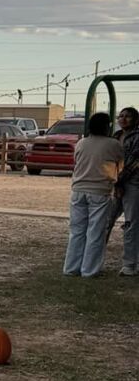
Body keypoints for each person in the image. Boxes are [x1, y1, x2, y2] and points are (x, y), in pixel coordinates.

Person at [63, 112, 122, 279]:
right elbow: (121, 164)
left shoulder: (81, 143)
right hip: (100, 190)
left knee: (77, 231)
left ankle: (71, 267)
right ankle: (89, 270)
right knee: (95, 232)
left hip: (78, 189)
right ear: (107, 126)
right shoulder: (113, 144)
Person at [116, 107, 139, 278]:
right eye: (121, 116)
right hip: (116, 183)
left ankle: (129, 264)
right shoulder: (116, 136)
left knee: (131, 224)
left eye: (128, 116)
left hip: (132, 184)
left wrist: (120, 180)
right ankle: (93, 260)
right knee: (105, 220)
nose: (123, 119)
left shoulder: (137, 136)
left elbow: (134, 162)